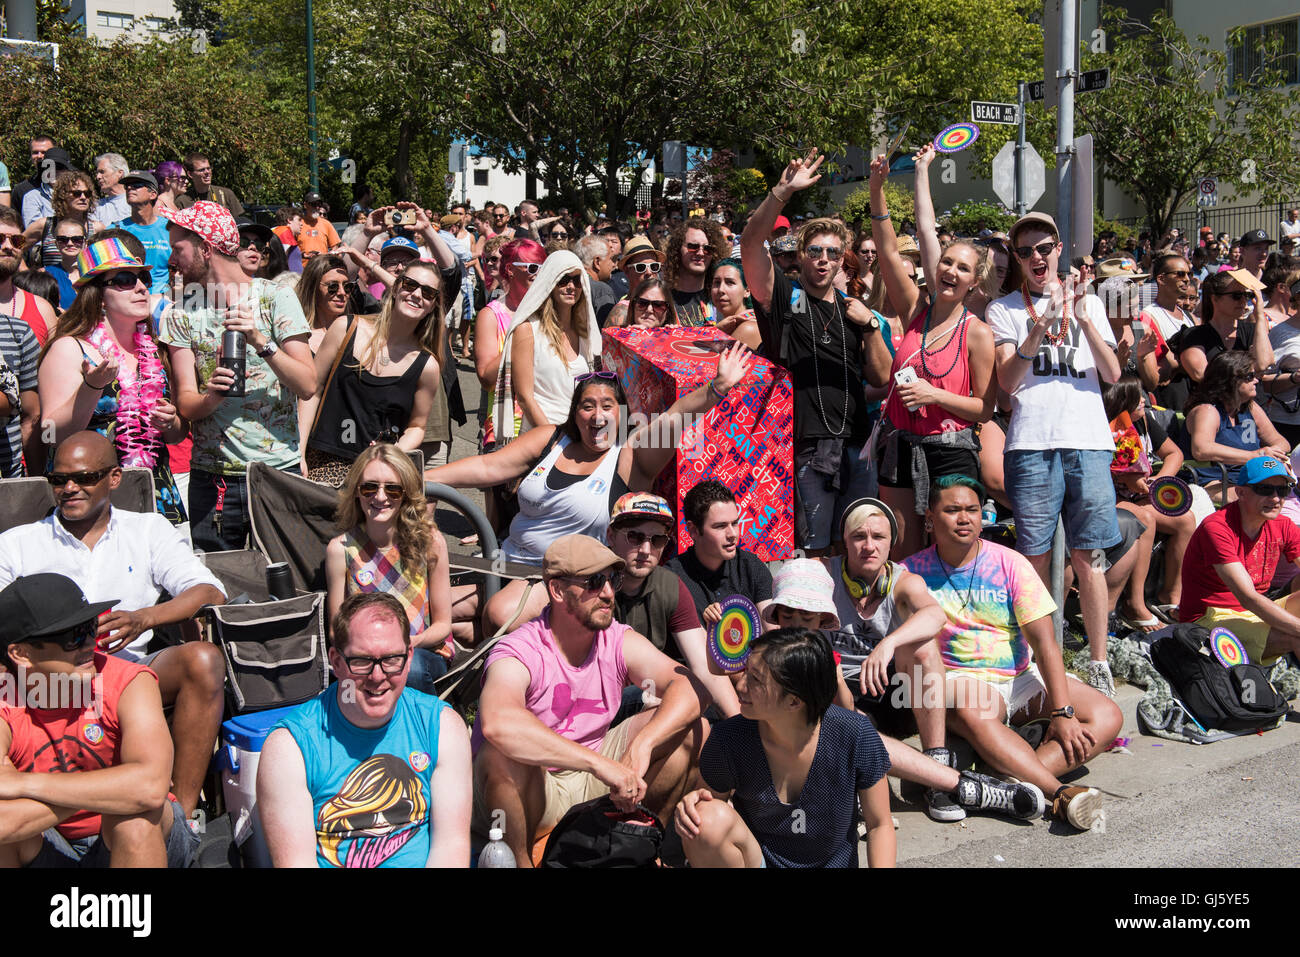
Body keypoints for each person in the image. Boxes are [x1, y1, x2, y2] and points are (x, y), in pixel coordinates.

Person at [431, 345, 752, 634]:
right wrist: (420, 477)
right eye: (587, 406)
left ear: (622, 412)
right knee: (427, 610)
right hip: (502, 562)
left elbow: (674, 417)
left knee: (500, 614)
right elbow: (487, 467)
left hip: (564, 582)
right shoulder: (551, 439)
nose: (597, 416)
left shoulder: (631, 456)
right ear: (575, 413)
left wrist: (718, 387)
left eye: (607, 406)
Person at [0, 433, 227, 818]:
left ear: (114, 477)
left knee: (203, 660)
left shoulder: (148, 529)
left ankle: (184, 815)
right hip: (46, 677)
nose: (69, 488)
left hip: (133, 669)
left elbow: (210, 591)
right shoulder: (19, 542)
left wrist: (147, 618)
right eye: (58, 479)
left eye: (85, 477)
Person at [472, 534, 708, 867]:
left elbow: (692, 686)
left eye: (613, 579)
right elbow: (499, 723)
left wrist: (643, 744)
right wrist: (599, 763)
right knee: (503, 753)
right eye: (594, 582)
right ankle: (524, 859)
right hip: (532, 791)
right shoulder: (520, 649)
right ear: (557, 590)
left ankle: (639, 847)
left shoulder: (615, 639)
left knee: (691, 728)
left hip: (591, 780)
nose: (609, 593)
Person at [905, 475, 1122, 829]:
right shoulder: (911, 572)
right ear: (930, 517)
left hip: (1020, 676)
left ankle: (1007, 780)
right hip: (962, 680)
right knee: (975, 711)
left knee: (1108, 715)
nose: (964, 518)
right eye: (952, 510)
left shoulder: (1010, 563)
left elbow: (1044, 642)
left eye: (972, 510)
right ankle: (1059, 793)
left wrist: (1063, 713)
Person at [987, 211, 1124, 697]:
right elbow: (1005, 383)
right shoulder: (1004, 309)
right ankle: (1039, 660)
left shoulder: (1090, 303)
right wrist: (1039, 326)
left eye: (1044, 248)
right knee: (1035, 559)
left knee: (1091, 558)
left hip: (1087, 439)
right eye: (1025, 252)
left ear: (1059, 247)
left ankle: (1100, 660)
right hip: (1030, 442)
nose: (1036, 258)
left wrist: (1084, 317)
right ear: (1017, 259)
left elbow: (1111, 375)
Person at [257, 592, 472, 867]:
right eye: (361, 661)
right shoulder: (290, 747)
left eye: (391, 659)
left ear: (408, 657)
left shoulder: (441, 727)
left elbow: (451, 848)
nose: (377, 676)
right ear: (336, 662)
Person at [0, 574, 199, 868]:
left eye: (89, 629)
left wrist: (24, 784)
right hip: (50, 838)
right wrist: (115, 789)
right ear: (21, 654)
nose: (88, 645)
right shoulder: (6, 700)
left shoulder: (129, 682)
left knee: (133, 821)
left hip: (145, 836)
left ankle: (131, 915)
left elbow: (149, 789)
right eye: (72, 637)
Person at [741, 150, 885, 556]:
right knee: (815, 550)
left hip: (858, 447)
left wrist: (871, 325)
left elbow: (880, 377)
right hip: (808, 447)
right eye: (815, 251)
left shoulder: (854, 309)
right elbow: (752, 243)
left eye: (833, 253)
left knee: (859, 549)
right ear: (802, 255)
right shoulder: (786, 299)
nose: (824, 260)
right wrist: (782, 192)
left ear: (844, 259)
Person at [159, 201, 316, 552]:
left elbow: (307, 384)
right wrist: (211, 396)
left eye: (177, 249)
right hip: (212, 477)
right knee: (219, 583)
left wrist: (261, 342)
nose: (171, 260)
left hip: (275, 471)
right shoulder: (180, 312)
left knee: (284, 577)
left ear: (205, 247)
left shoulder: (275, 297)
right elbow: (185, 403)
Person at [865, 146, 995, 559]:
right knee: (901, 552)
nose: (950, 271)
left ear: (974, 283)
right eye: (947, 262)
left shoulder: (976, 334)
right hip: (900, 446)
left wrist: (933, 395)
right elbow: (895, 247)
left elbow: (984, 409)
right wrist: (880, 186)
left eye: (962, 268)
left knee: (954, 551)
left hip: (950, 452)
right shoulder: (914, 309)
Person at [674, 627, 893, 867]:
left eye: (756, 680)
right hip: (759, 861)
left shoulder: (855, 734)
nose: (740, 686)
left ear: (794, 701)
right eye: (745, 671)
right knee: (706, 820)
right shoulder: (729, 738)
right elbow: (704, 807)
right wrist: (690, 808)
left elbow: (879, 825)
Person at [38, 237, 188, 522]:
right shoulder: (70, 349)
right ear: (97, 294)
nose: (141, 287)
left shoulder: (154, 349)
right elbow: (49, 434)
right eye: (123, 280)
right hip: (92, 501)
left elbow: (178, 434)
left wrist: (172, 423)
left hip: (158, 497)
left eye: (143, 278)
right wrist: (91, 387)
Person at [325, 445, 452, 694]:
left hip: (421, 649)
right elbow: (335, 629)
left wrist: (408, 643)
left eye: (392, 489)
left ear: (405, 494)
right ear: (356, 493)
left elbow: (443, 625)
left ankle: (418, 727)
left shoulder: (429, 542)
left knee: (408, 667)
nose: (380, 497)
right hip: (364, 654)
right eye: (369, 487)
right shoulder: (341, 549)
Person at [304, 261, 445, 485]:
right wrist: (300, 453)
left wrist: (392, 453)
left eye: (427, 292)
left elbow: (417, 427)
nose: (417, 295)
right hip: (324, 463)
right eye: (410, 285)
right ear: (396, 287)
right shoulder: (346, 328)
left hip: (379, 476)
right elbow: (312, 391)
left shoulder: (427, 365)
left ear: (433, 304)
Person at [605, 492, 739, 716]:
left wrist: (740, 724)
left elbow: (704, 666)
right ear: (611, 536)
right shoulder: (590, 580)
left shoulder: (668, 584)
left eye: (657, 540)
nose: (646, 550)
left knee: (696, 713)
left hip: (642, 697)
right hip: (590, 701)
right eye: (635, 537)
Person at [1178, 454, 1300, 668]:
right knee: (1295, 637)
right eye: (1265, 489)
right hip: (1209, 619)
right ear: (1241, 492)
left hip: (1254, 610)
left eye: (1282, 490)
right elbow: (1248, 598)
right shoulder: (1217, 528)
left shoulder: (1283, 524)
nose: (1275, 498)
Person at [1102, 376, 1195, 627]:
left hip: (1142, 492)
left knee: (1185, 520)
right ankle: (1134, 603)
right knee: (1146, 521)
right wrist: (1136, 484)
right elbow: (1116, 474)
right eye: (1138, 396)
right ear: (1122, 401)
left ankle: (1169, 596)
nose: (1144, 399)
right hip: (1112, 496)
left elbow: (1174, 453)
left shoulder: (1143, 419)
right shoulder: (1112, 426)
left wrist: (1158, 482)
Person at [492, 249, 599, 440]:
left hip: (579, 437)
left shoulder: (584, 332)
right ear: (550, 281)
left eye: (577, 280)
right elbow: (525, 398)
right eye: (563, 279)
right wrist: (555, 438)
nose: (571, 286)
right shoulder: (528, 329)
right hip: (542, 436)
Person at [666, 480, 774, 627]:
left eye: (735, 523)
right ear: (693, 530)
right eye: (721, 526)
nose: (732, 534)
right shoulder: (673, 578)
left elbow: (774, 633)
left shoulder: (751, 566)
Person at [473, 238, 545, 454]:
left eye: (543, 268)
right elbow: (486, 378)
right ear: (510, 270)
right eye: (532, 267)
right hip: (507, 428)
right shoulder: (492, 315)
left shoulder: (549, 313)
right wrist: (519, 340)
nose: (538, 274)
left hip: (548, 421)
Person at [1187, 350, 1289, 501]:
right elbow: (1201, 449)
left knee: (1281, 494)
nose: (1256, 381)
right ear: (1231, 380)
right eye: (1250, 377)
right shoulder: (1207, 410)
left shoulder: (1250, 408)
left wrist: (1273, 454)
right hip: (1212, 481)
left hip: (1249, 479)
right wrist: (1255, 456)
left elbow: (1282, 443)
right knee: (1261, 497)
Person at [1179, 269, 1272, 383]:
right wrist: (1248, 373)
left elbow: (1263, 364)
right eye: (1236, 295)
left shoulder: (1251, 330)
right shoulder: (1194, 335)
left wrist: (1260, 316)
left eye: (1247, 295)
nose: (1243, 301)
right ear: (1215, 298)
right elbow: (1202, 375)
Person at [1136, 252, 1196, 408]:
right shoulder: (1148, 315)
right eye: (1180, 274)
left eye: (1189, 274)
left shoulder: (1188, 315)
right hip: (1171, 397)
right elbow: (1167, 363)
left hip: (1193, 393)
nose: (1187, 279)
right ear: (1161, 279)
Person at [23, 168, 99, 272]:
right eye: (77, 193)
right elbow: (15, 248)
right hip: (52, 285)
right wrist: (26, 276)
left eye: (87, 193)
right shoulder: (45, 225)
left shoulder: (97, 229)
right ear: (62, 195)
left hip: (86, 286)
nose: (83, 197)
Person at [111, 171, 171, 295]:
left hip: (164, 298)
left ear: (153, 194)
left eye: (136, 185)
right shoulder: (115, 230)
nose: (129, 188)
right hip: (128, 298)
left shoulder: (169, 228)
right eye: (127, 186)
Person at [663, 217, 728, 326]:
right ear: (677, 249)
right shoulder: (661, 300)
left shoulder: (722, 298)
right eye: (693, 246)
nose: (701, 253)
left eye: (707, 248)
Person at [709, 257, 761, 349]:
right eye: (717, 282)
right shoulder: (727, 324)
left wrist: (714, 331)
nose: (721, 290)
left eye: (730, 282)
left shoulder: (747, 328)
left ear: (747, 291)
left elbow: (708, 361)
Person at [176, 153, 243, 217]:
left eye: (208, 168)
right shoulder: (183, 201)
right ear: (190, 174)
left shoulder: (226, 194)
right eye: (202, 170)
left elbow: (239, 222)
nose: (207, 172)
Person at [44, 217, 85, 310]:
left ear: (85, 242)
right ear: (56, 243)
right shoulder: (46, 274)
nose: (70, 243)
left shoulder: (97, 272)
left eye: (77, 239)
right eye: (63, 239)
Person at [575, 233, 617, 325]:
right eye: (610, 259)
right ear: (597, 262)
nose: (614, 264)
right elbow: (607, 333)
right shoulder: (601, 291)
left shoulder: (565, 285)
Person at [296, 192, 340, 261]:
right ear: (305, 205)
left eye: (319, 205)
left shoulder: (326, 224)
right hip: (303, 270)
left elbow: (335, 247)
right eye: (313, 204)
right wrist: (303, 255)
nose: (317, 207)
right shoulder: (298, 224)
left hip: (322, 268)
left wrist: (328, 255)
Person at [92, 153, 131, 227]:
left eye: (102, 172)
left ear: (120, 173)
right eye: (97, 173)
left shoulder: (136, 202)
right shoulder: (97, 206)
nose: (98, 176)